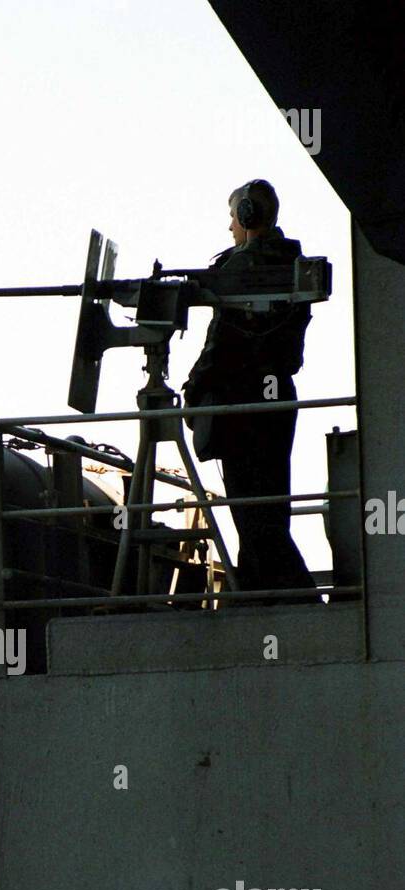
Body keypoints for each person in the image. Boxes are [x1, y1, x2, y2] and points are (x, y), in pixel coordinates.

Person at [182, 179, 318, 601]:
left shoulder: (242, 270)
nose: (229, 229)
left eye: (232, 218)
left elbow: (221, 343)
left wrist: (194, 389)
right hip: (276, 399)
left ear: (246, 216)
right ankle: (260, 594)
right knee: (268, 512)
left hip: (245, 404)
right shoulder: (290, 262)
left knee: (254, 517)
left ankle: (297, 600)